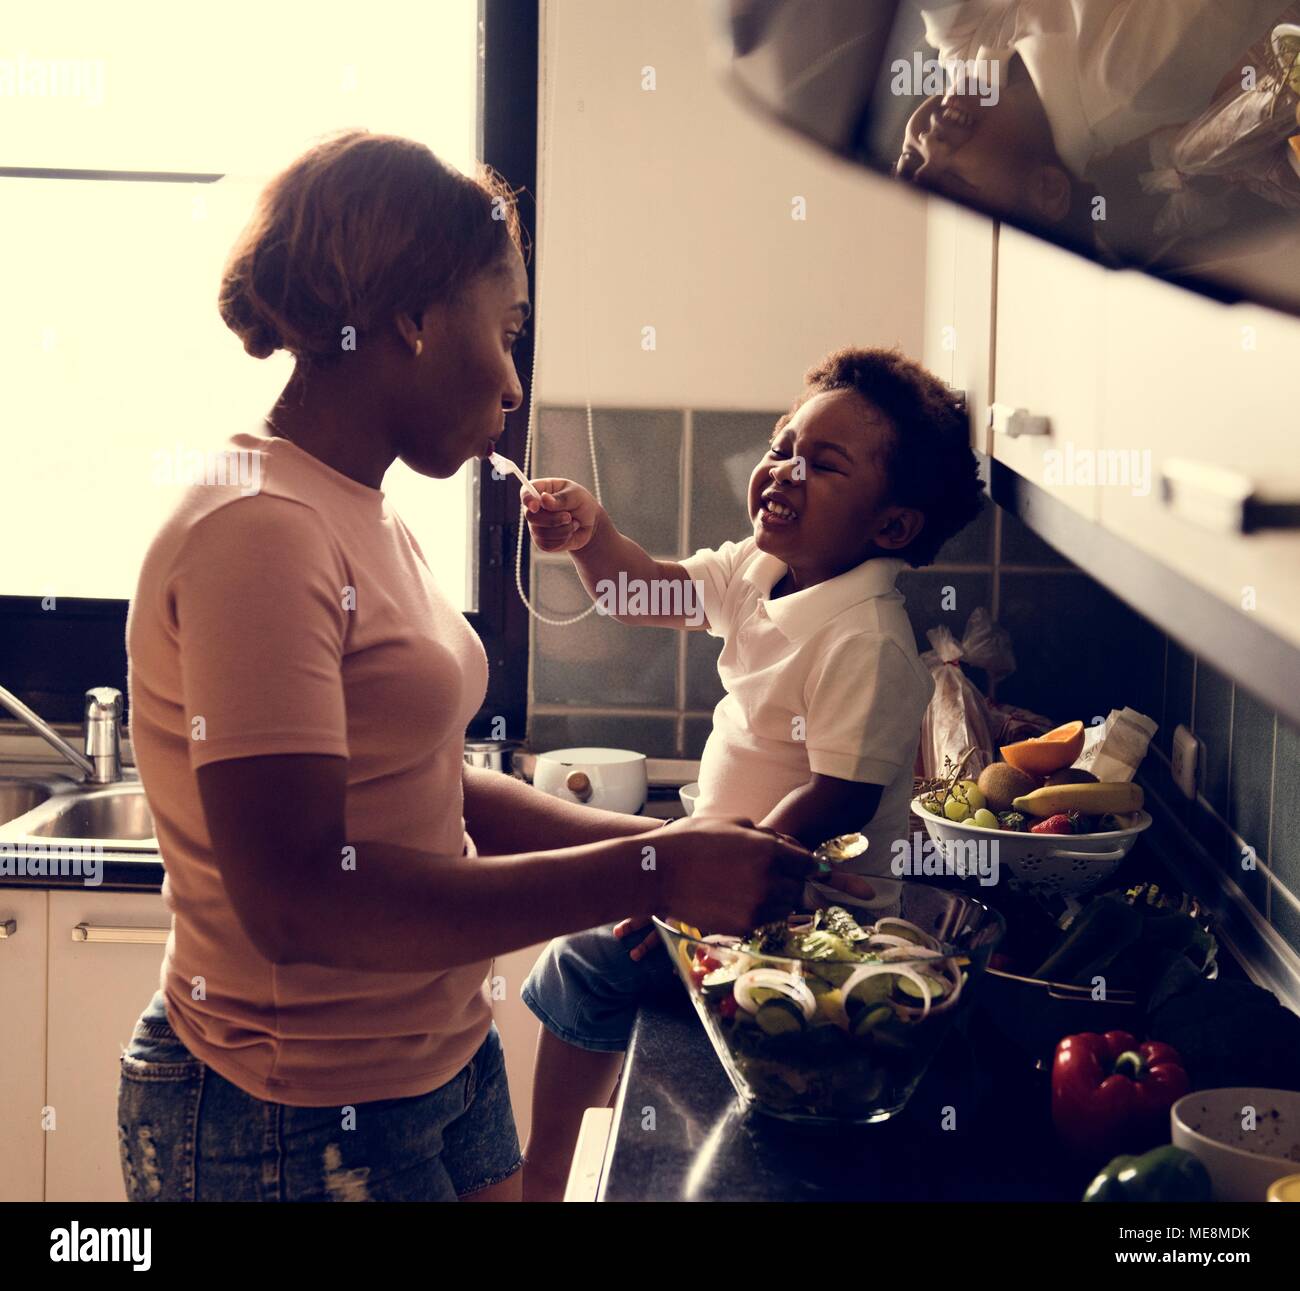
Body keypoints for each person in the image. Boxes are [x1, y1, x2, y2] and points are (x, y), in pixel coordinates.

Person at [117, 129, 812, 1203]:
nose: (513, 382)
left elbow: (430, 783)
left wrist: (670, 847)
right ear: (412, 320)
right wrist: (655, 875)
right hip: (288, 1115)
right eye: (508, 329)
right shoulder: (258, 528)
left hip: (438, 1061)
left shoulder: (355, 507)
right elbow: (298, 899)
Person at [518, 346, 985, 1199]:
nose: (783, 471)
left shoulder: (867, 637)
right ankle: (548, 1168)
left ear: (892, 527)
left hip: (797, 911)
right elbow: (645, 593)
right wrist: (592, 538)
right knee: (590, 950)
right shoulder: (759, 568)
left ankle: (540, 1177)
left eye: (823, 463)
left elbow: (837, 796)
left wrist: (696, 882)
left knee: (582, 960)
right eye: (782, 446)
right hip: (722, 878)